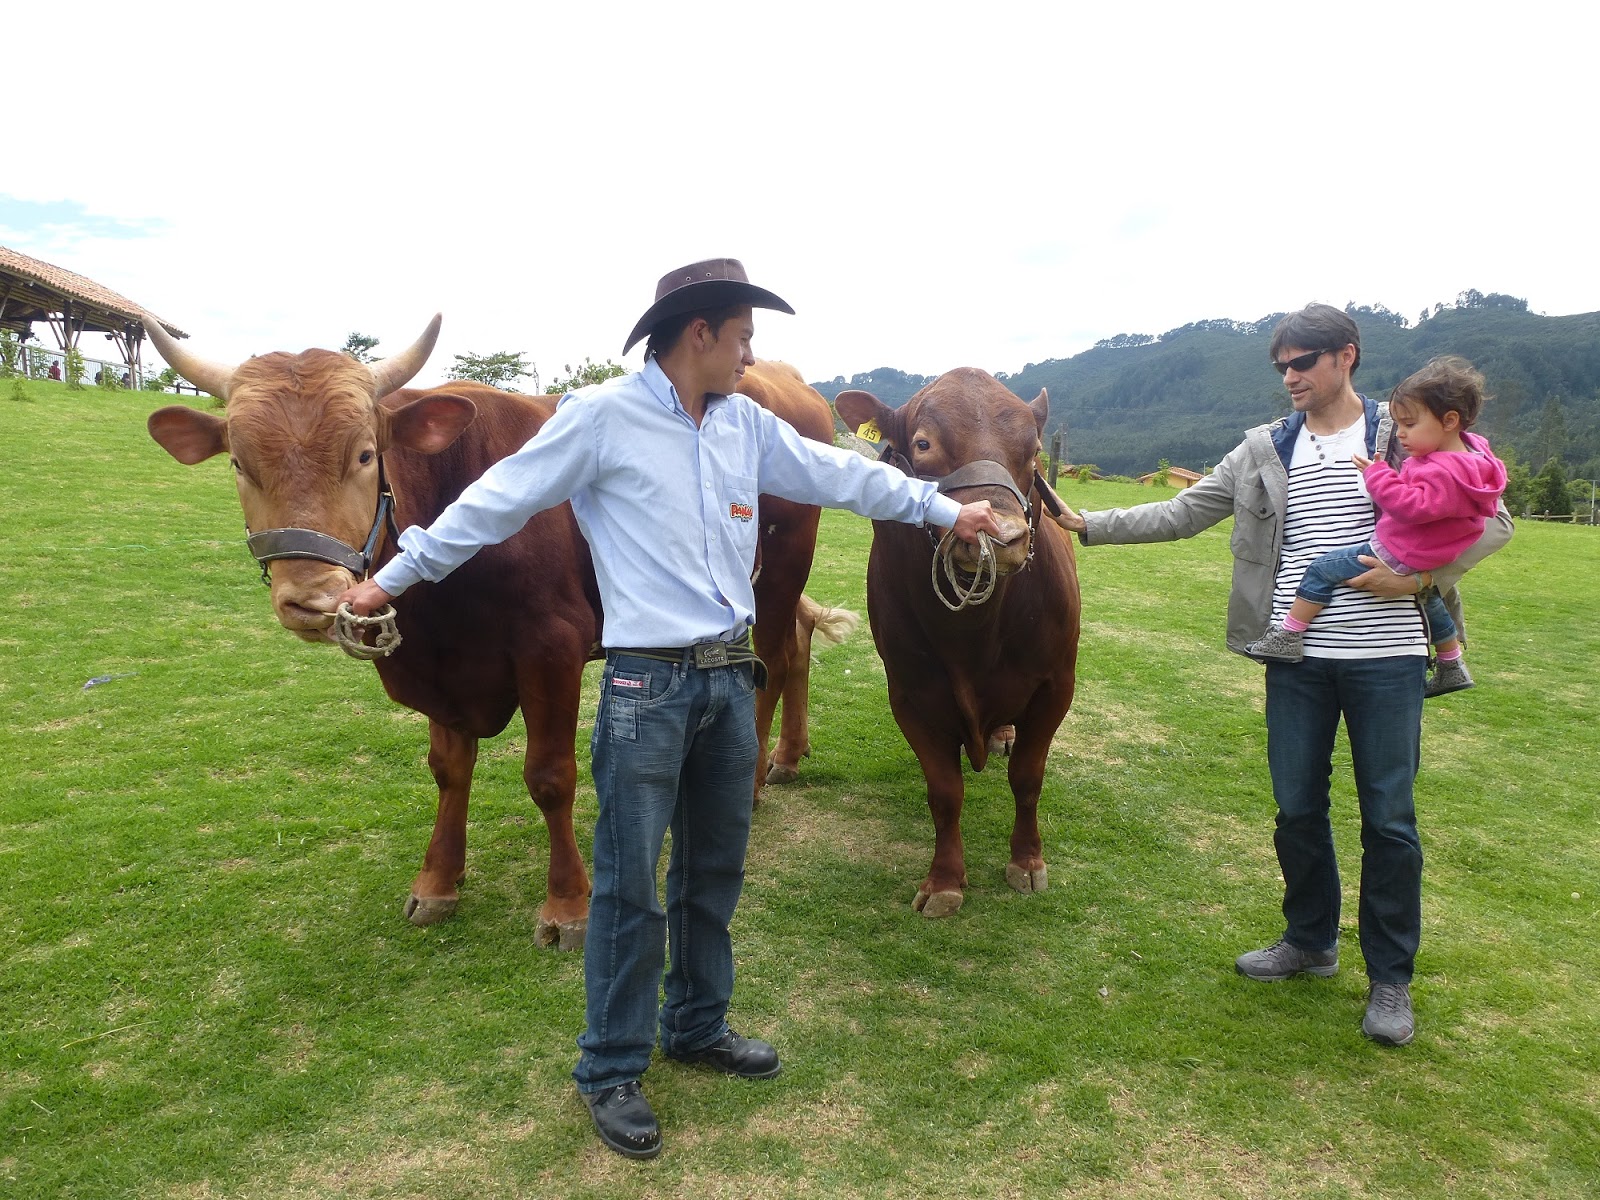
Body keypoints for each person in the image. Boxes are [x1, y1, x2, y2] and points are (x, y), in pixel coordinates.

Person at [340, 258, 1001, 1159]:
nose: (750, 355)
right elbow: (493, 504)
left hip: (731, 680)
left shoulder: (743, 424)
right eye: (744, 338)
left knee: (712, 872)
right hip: (644, 688)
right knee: (626, 888)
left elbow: (838, 475)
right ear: (700, 333)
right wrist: (391, 579)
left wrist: (943, 510)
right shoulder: (600, 417)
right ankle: (610, 1068)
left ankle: (695, 1025)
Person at [1049, 304, 1512, 1047]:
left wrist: (1423, 578)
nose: (1290, 376)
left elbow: (1493, 519)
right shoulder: (1266, 447)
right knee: (1297, 809)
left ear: (1345, 356)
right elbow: (1184, 511)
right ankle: (1310, 941)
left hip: (1388, 657)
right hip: (1294, 657)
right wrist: (1088, 525)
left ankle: (1390, 978)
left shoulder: (1406, 430)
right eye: (1282, 365)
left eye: (1302, 362)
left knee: (1389, 820)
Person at [1245, 355, 1507, 699]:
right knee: (1429, 597)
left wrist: (1377, 475)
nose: (1401, 434)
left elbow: (1412, 506)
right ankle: (1450, 662)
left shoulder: (1440, 470)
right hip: (1431, 555)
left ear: (1450, 420)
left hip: (1397, 550)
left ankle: (1288, 634)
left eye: (1409, 424)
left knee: (1321, 570)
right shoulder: (1477, 458)